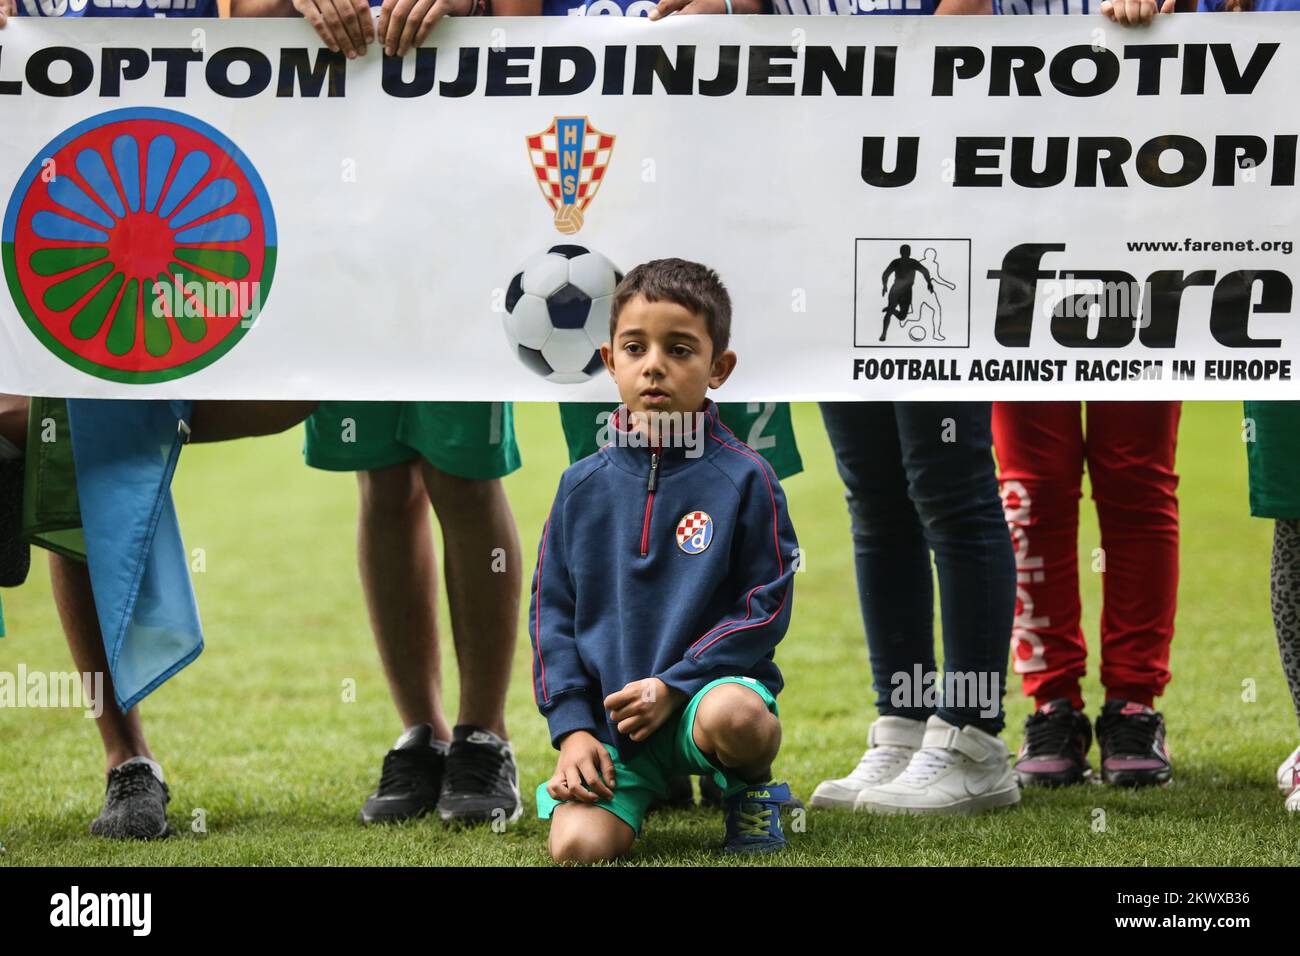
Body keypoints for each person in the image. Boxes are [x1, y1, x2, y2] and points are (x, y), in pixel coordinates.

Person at [768, 0, 1019, 817]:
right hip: (830, 194)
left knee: (948, 482)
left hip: (938, 176)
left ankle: (975, 740)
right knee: (874, 490)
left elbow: (961, 19)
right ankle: (908, 722)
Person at [530, 259, 799, 861]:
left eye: (680, 350)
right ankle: (638, 785)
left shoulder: (746, 477)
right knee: (577, 849)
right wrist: (572, 730)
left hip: (701, 701)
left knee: (739, 718)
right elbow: (551, 618)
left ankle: (751, 789)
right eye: (635, 347)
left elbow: (765, 606)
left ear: (719, 368)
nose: (655, 365)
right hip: (615, 727)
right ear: (609, 360)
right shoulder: (580, 487)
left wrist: (675, 685)